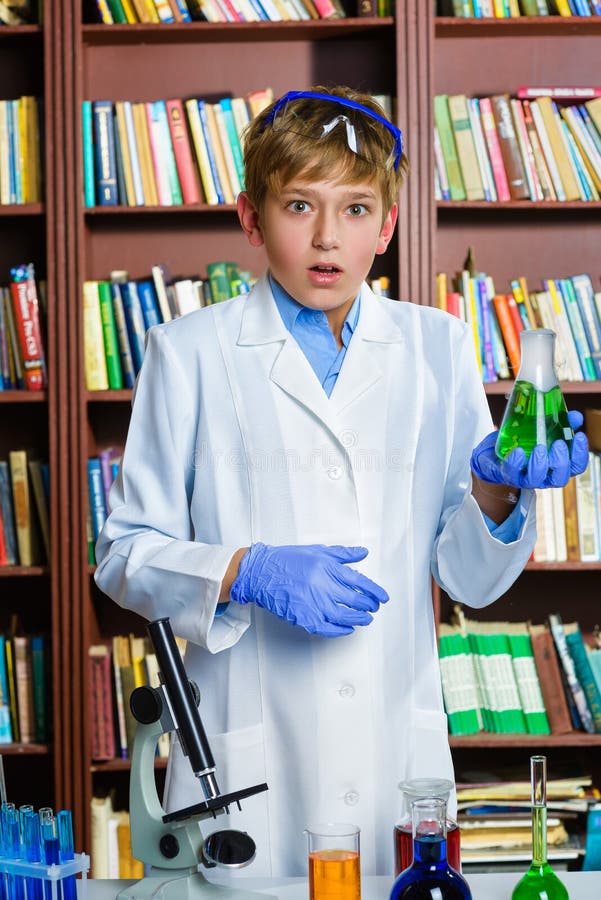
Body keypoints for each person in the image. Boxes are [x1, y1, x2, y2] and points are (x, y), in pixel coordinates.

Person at [94, 85, 588, 878]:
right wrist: (243, 570)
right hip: (250, 763)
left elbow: (467, 576)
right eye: (299, 206)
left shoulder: (437, 346)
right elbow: (124, 554)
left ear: (386, 227)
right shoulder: (186, 353)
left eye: (355, 210)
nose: (327, 237)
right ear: (251, 218)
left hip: (394, 747)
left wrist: (494, 489)